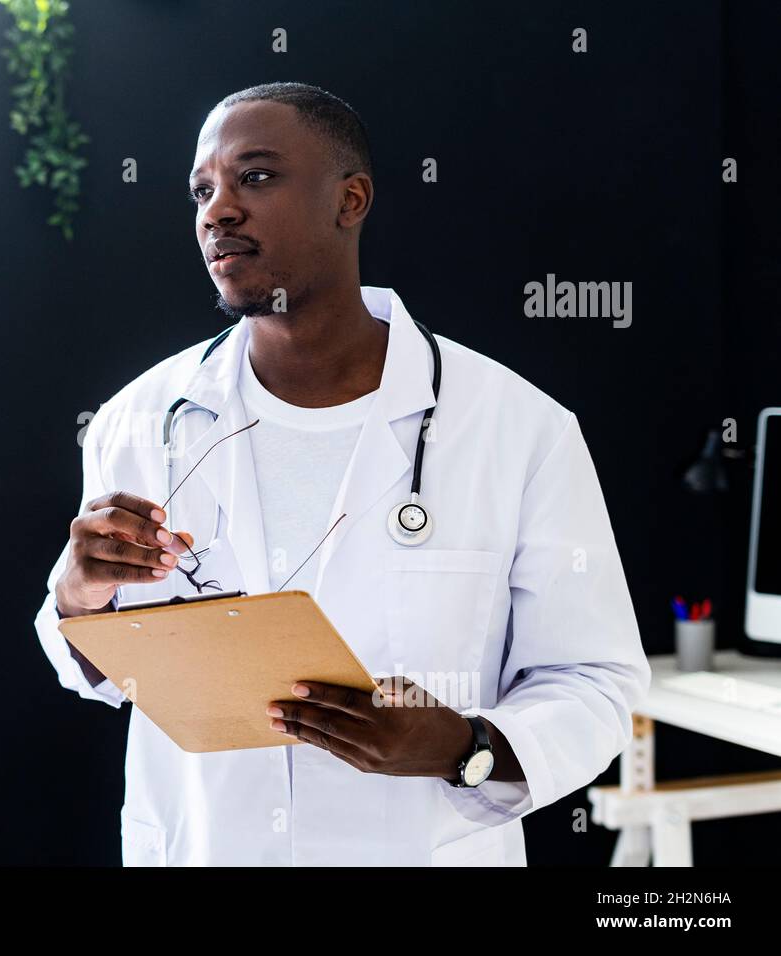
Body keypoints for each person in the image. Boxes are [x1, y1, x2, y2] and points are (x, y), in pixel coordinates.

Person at [34, 81, 650, 866]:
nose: (216, 210)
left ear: (349, 199)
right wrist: (77, 597)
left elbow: (597, 681)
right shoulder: (140, 420)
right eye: (201, 189)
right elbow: (100, 671)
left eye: (254, 177)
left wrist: (466, 747)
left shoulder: (516, 428)